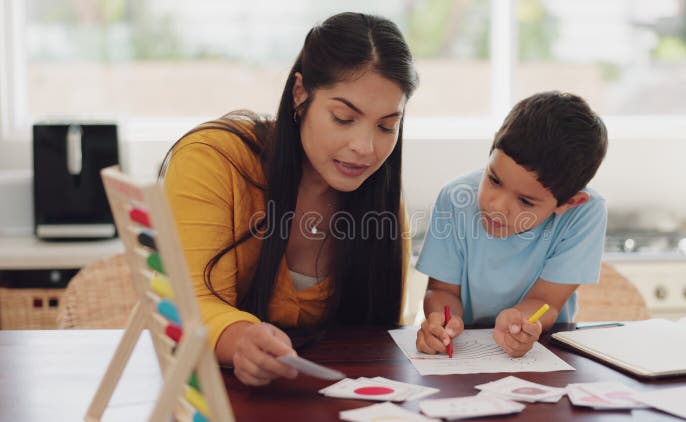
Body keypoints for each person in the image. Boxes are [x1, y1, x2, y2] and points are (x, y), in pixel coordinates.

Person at [161, 12, 418, 386]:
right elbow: (186, 303)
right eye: (343, 118)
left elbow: (382, 336)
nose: (364, 148)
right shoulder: (211, 159)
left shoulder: (382, 202)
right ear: (300, 94)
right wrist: (240, 341)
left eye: (386, 126)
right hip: (214, 394)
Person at [414, 91, 608, 358]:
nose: (496, 206)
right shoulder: (455, 199)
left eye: (526, 202)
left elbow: (546, 302)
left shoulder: (585, 213)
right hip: (464, 351)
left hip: (542, 352)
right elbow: (441, 290)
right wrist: (441, 322)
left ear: (569, 202)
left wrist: (519, 322)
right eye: (494, 180)